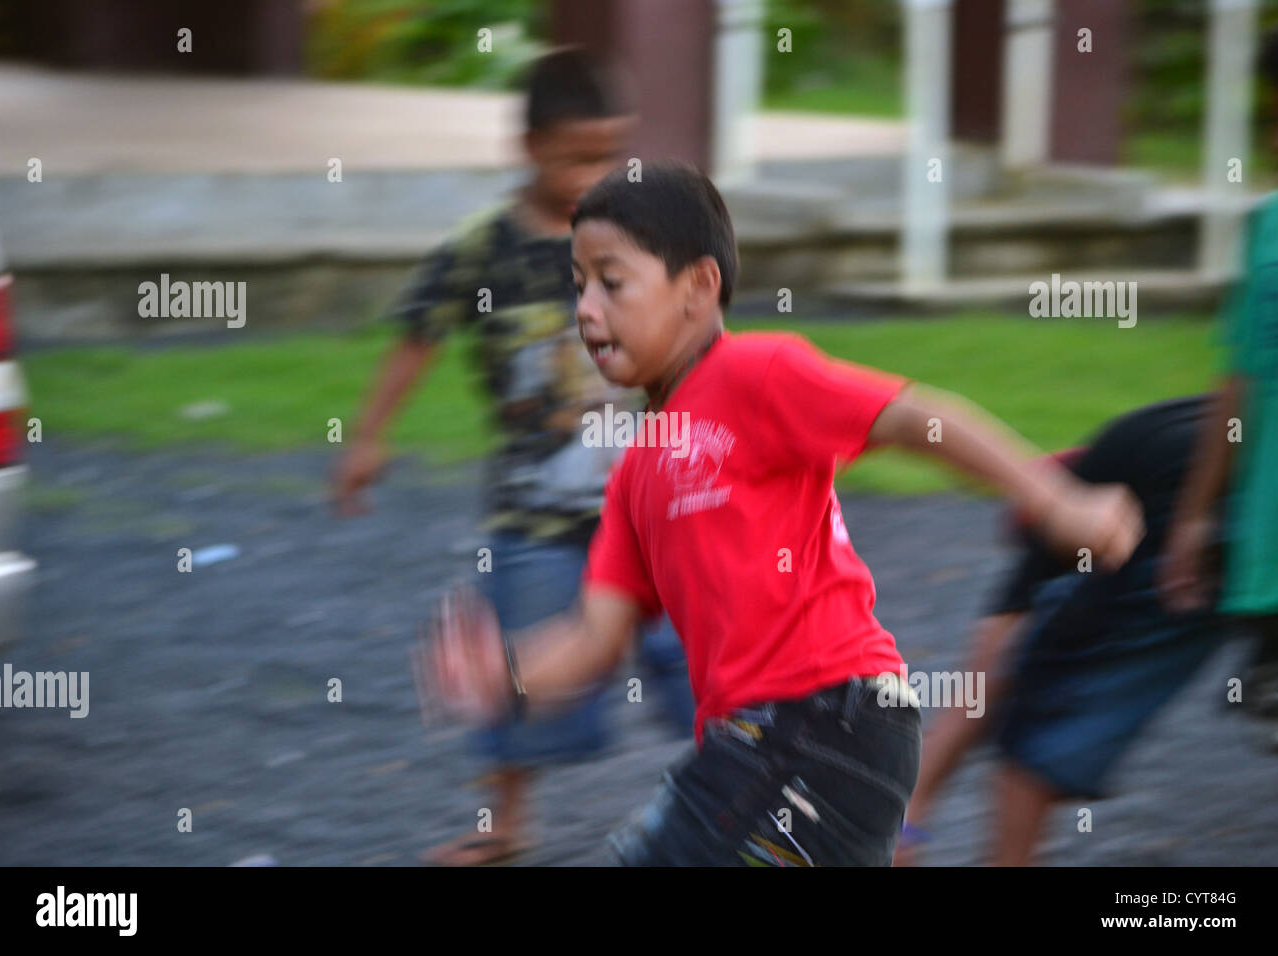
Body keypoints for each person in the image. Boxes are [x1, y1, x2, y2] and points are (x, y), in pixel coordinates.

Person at [420, 161, 1145, 866]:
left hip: (824, 719)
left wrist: (1055, 499)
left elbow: (914, 415)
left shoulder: (754, 375)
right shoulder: (634, 474)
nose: (584, 308)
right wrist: (508, 676)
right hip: (775, 744)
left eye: (612, 282)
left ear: (700, 287)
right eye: (577, 286)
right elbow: (594, 637)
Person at [333, 49, 695, 866]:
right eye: (576, 156)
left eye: (608, 154)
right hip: (536, 513)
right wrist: (368, 436)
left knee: (701, 653)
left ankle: (745, 791)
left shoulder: (633, 235)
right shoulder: (482, 249)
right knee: (518, 657)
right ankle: (505, 826)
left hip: (647, 504)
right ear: (527, 147)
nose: (593, 173)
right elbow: (418, 333)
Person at [898, 395, 1231, 866]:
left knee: (1039, 712)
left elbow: (975, 691)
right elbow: (979, 689)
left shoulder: (1064, 517)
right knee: (1041, 713)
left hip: (1178, 473)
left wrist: (912, 815)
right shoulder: (1079, 503)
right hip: (1197, 457)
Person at [1161, 27, 1278, 742]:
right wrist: (1196, 514)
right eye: (1275, 114)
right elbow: (1238, 383)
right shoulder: (1267, 228)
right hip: (1274, 558)